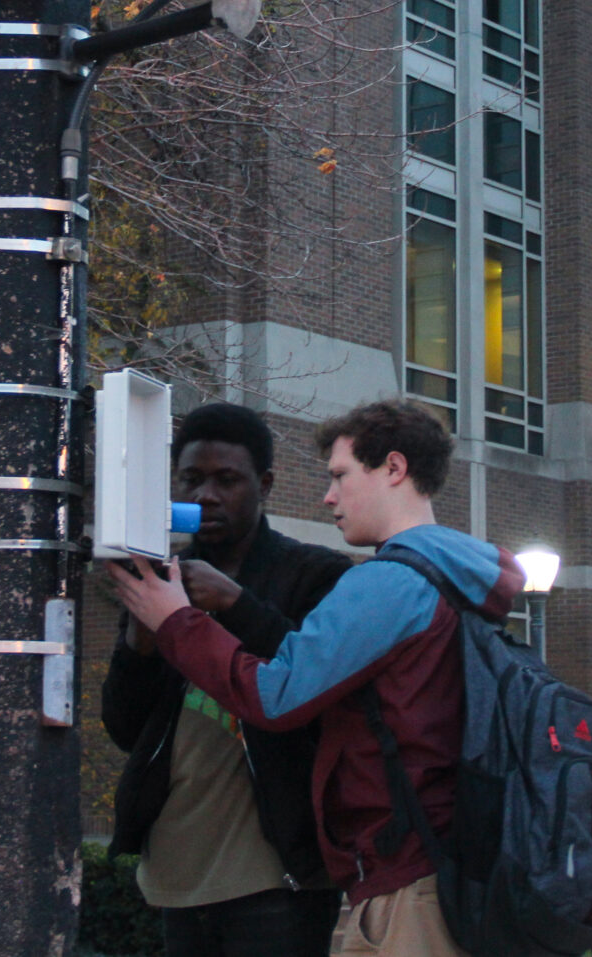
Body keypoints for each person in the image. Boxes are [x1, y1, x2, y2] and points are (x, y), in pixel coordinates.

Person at [110, 399, 524, 957]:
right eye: (191, 479)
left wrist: (177, 620)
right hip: (423, 865)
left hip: (404, 873)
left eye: (339, 476)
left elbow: (278, 695)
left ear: (395, 469)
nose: (328, 496)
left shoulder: (387, 584)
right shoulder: (454, 570)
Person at [101, 402, 352, 957]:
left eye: (226, 480)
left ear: (264, 484)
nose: (206, 496)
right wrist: (142, 638)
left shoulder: (317, 574)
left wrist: (236, 604)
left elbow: (321, 689)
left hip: (279, 874)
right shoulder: (160, 579)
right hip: (179, 867)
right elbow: (125, 730)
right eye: (191, 480)